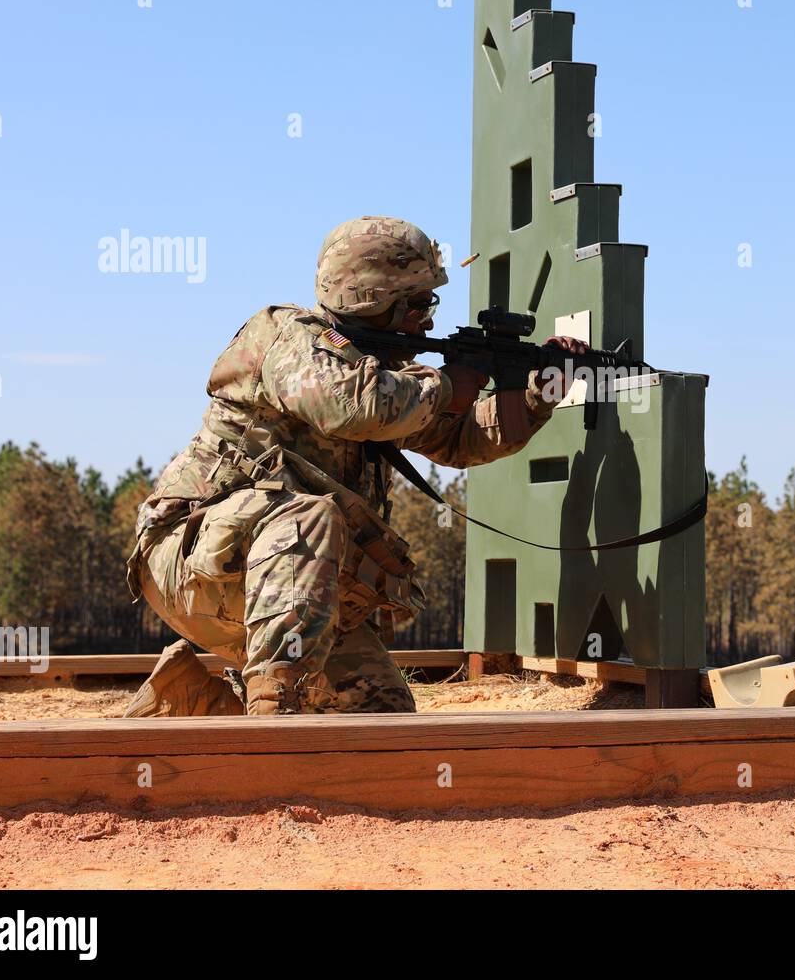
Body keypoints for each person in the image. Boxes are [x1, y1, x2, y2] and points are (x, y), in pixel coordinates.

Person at [123, 215, 587, 716]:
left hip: (280, 585)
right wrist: (450, 383)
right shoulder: (286, 337)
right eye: (417, 303)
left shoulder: (386, 376)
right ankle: (270, 723)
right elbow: (347, 406)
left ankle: (191, 701)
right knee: (309, 516)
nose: (427, 319)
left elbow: (460, 440)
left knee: (380, 716)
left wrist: (539, 391)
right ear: (372, 296)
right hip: (191, 563)